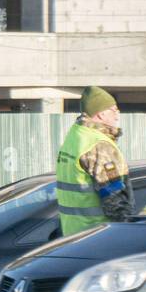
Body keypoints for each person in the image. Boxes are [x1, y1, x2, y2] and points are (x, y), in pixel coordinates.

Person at [56, 86, 132, 237]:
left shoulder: (75, 136)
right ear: (101, 114)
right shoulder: (99, 145)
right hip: (98, 236)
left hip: (72, 235)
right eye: (114, 109)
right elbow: (113, 198)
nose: (118, 115)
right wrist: (127, 232)